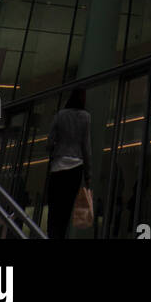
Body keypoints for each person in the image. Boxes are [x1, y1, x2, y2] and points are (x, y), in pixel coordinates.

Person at [46, 87, 92, 239]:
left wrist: (53, 151)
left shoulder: (60, 115)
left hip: (58, 166)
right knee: (66, 209)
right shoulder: (85, 117)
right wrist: (88, 174)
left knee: (54, 208)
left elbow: (49, 141)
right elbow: (86, 146)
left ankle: (51, 235)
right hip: (75, 168)